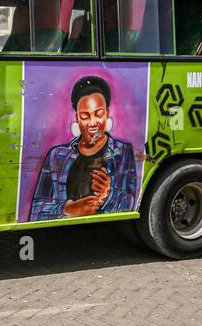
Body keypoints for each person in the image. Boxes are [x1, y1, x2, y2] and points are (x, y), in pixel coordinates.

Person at [29, 75, 137, 221]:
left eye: (98, 114)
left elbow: (132, 205)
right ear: (77, 118)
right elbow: (35, 210)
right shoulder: (57, 155)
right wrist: (68, 210)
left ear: (107, 114)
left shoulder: (122, 151)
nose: (93, 123)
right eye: (85, 116)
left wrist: (108, 195)